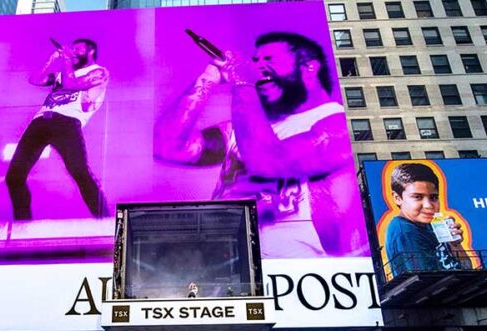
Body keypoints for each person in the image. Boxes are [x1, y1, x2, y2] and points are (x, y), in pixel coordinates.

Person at [155, 31, 364, 258]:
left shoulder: (339, 124)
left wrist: (242, 82)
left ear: (309, 67)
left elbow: (267, 162)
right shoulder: (247, 128)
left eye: (269, 59)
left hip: (302, 270)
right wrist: (209, 77)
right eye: (255, 60)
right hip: (228, 264)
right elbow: (169, 148)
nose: (257, 66)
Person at [6, 38, 110, 220]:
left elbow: (71, 84)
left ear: (90, 52)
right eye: (71, 49)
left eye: (78, 49)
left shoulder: (98, 72)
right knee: (14, 176)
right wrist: (52, 59)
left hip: (66, 122)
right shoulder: (63, 74)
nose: (73, 52)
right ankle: (22, 225)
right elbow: (34, 79)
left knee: (79, 171)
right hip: (40, 122)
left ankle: (105, 221)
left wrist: (66, 59)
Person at [383, 162, 468, 277]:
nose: (428, 205)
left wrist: (455, 245)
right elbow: (426, 280)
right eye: (417, 197)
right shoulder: (406, 232)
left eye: (433, 197)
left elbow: (467, 267)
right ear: (397, 198)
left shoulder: (429, 225)